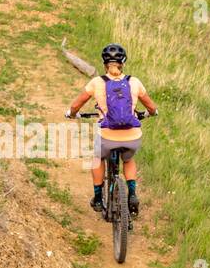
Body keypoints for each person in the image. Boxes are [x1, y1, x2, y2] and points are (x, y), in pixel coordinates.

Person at [65, 43, 158, 215]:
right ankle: (132, 194)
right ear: (123, 62)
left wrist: (71, 113)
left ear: (104, 63)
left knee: (97, 158)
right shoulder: (134, 82)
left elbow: (77, 104)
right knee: (128, 160)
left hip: (108, 137)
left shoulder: (97, 82)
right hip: (132, 137)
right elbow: (151, 107)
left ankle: (99, 198)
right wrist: (152, 112)